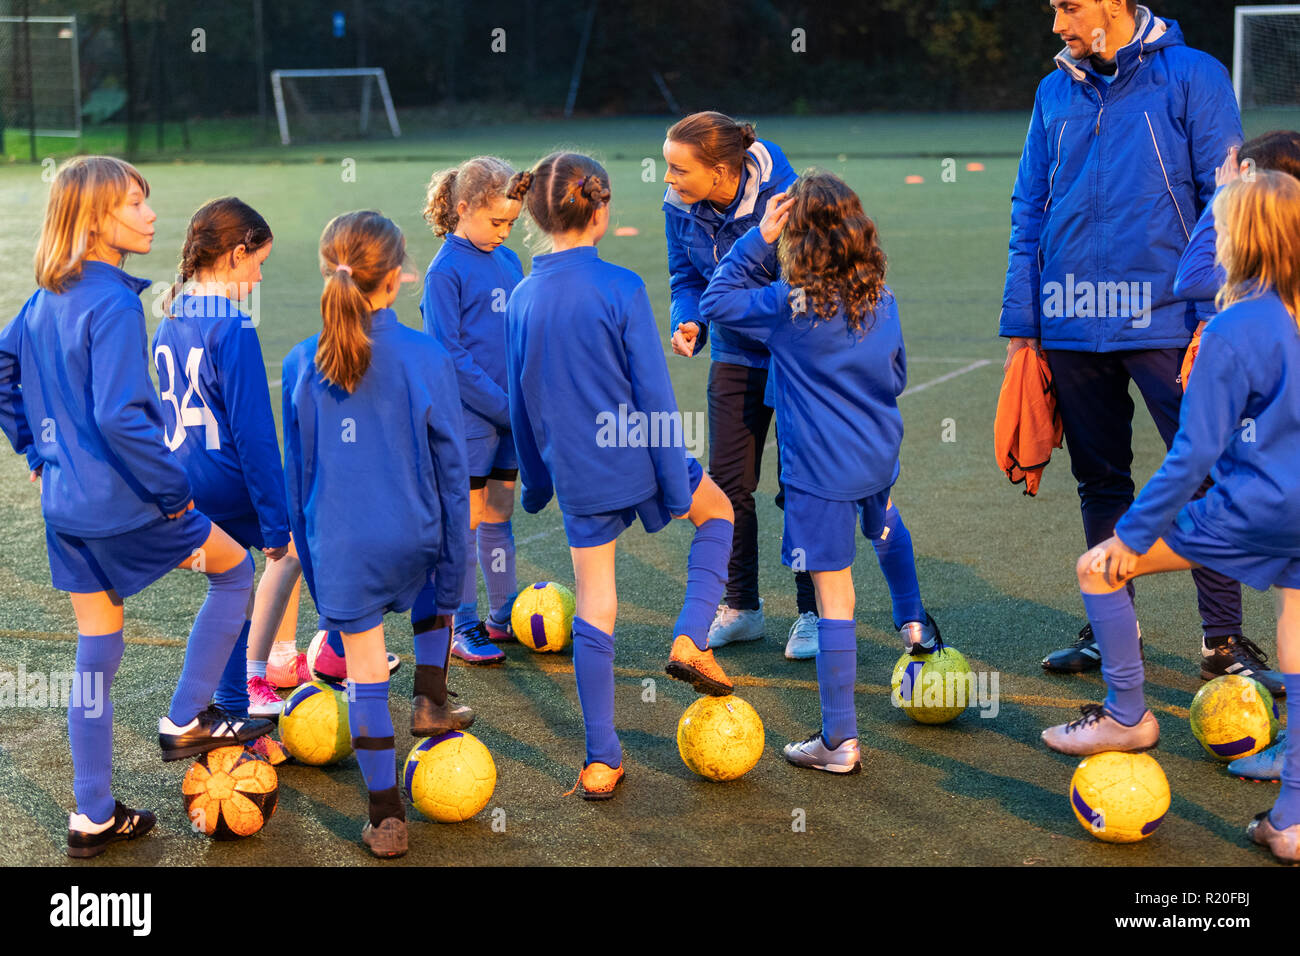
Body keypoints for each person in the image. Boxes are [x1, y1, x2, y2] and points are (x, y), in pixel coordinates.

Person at [0, 157, 272, 858]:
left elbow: (2, 373)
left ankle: (93, 813)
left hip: (66, 511)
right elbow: (122, 416)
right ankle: (186, 717)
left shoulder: (43, 298)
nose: (151, 214)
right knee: (236, 570)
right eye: (135, 203)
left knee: (98, 652)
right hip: (128, 503)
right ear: (96, 219)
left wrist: (35, 453)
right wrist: (173, 492)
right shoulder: (117, 301)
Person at [1001, 1, 1264, 689]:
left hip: (1169, 318)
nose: (1057, 23)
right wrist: (1022, 328)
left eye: (1068, 6)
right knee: (1100, 479)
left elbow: (1226, 199)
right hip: (1069, 320)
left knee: (1206, 473)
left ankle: (1223, 639)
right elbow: (1029, 206)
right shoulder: (1054, 88)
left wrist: (1215, 312)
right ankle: (1114, 628)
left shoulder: (1193, 75)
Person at [1039, 171, 1300, 863]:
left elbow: (1191, 456)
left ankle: (1128, 717)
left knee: (1096, 570)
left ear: (1236, 237)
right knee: (1297, 631)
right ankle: (1294, 822)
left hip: (1253, 510)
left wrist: (1128, 537)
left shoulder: (1233, 327)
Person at [505, 152, 735, 800]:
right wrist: (671, 480)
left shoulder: (520, 297)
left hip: (577, 474)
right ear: (601, 211)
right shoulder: (623, 288)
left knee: (596, 607)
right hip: (640, 458)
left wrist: (536, 483)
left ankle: (602, 759)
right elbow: (656, 399)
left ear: (537, 215)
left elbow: (519, 399)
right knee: (718, 514)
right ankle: (692, 636)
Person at [701, 171, 939, 773]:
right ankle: (913, 622)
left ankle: (839, 741)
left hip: (819, 472)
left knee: (836, 599)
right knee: (885, 520)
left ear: (796, 241)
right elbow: (899, 374)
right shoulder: (880, 297)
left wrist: (757, 237)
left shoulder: (790, 305)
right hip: (877, 453)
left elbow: (715, 301)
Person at [281, 210, 473, 858]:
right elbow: (453, 473)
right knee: (428, 585)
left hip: (341, 548)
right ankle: (429, 699)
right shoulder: (426, 356)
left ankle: (386, 818)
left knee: (364, 677)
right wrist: (453, 569)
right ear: (396, 280)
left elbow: (296, 479)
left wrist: (316, 565)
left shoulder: (300, 363)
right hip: (412, 537)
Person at [664, 112, 839, 660]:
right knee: (729, 483)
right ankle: (741, 606)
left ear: (720, 171)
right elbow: (686, 277)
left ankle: (811, 612)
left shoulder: (782, 192)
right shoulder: (680, 207)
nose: (667, 180)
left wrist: (738, 306)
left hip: (796, 357)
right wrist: (690, 317)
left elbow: (808, 278)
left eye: (677, 169)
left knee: (801, 484)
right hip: (736, 355)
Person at [154, 198, 303, 753]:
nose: (260, 275)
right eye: (257, 262)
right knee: (286, 557)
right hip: (227, 481)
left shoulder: (170, 316)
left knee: (231, 590)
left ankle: (234, 711)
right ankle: (250, 702)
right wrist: (274, 520)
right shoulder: (234, 325)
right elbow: (255, 436)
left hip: (185, 481)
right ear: (235, 253)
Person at [421, 157, 525, 665]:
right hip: (470, 420)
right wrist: (505, 407)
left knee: (500, 513)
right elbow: (450, 355)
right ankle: (463, 624)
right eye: (495, 222)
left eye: (512, 223)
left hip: (511, 418)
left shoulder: (509, 262)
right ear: (463, 209)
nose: (504, 233)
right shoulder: (445, 271)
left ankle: (502, 618)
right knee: (467, 520)